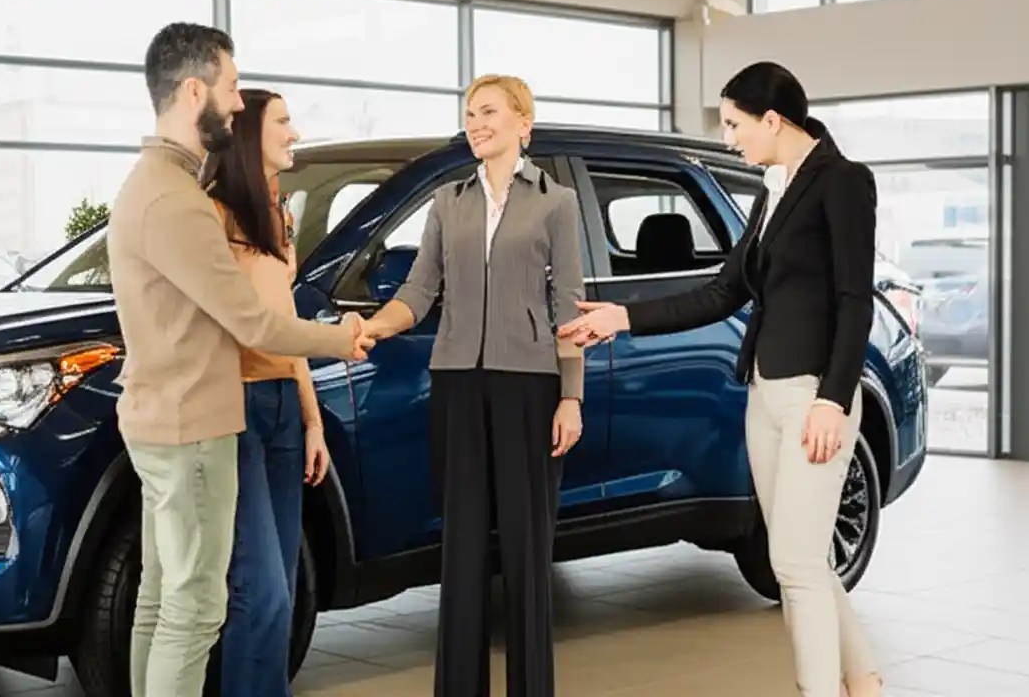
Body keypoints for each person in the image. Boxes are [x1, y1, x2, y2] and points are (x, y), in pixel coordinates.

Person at [559, 61, 881, 697]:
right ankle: (864, 681)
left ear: (772, 118)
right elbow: (727, 290)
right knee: (805, 562)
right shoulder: (774, 187)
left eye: (735, 124)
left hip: (816, 399)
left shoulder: (844, 183)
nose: (729, 137)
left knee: (790, 563)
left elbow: (855, 300)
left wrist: (834, 400)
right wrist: (623, 317)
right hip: (765, 396)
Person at [107, 23, 372, 697]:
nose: (235, 102)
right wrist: (340, 339)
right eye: (229, 87)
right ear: (193, 89)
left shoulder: (148, 185)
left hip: (158, 418)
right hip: (194, 423)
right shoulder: (181, 201)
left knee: (161, 600)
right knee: (195, 609)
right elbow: (251, 321)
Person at [355, 74, 584, 697]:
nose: (475, 123)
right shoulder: (447, 202)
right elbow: (418, 292)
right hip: (456, 383)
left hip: (529, 387)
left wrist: (571, 395)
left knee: (527, 551)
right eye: (469, 114)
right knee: (460, 550)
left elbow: (569, 305)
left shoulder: (555, 203)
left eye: (487, 112)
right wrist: (374, 327)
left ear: (522, 123)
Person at [198, 88, 322, 696]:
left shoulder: (281, 216)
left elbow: (286, 319)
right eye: (283, 121)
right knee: (260, 588)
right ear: (250, 135)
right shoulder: (213, 216)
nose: (295, 132)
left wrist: (313, 420)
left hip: (282, 408)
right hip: (236, 406)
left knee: (284, 591)